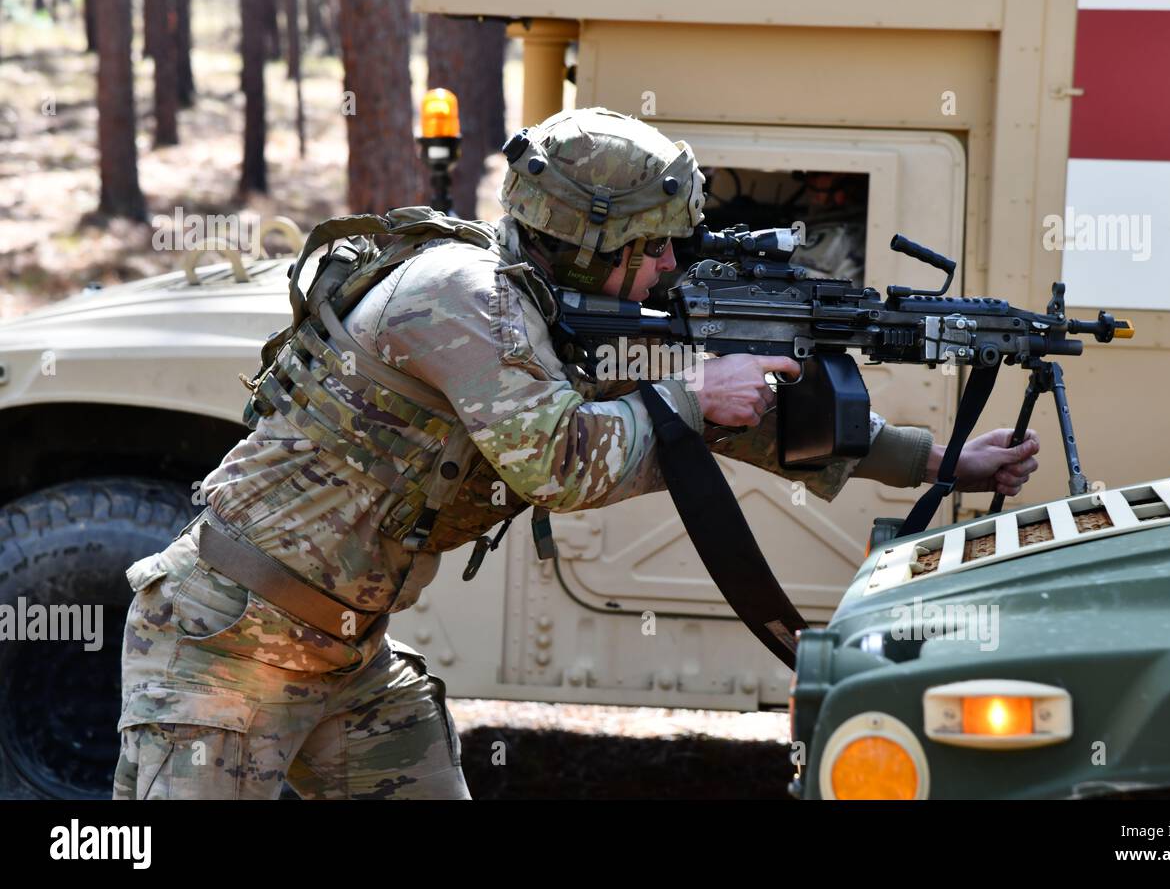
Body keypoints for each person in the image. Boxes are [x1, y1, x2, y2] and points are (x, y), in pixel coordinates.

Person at [113, 107, 1039, 800]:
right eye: (653, 246)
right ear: (590, 239)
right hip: (226, 646)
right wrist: (686, 392)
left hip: (348, 657)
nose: (671, 268)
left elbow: (726, 423)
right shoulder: (461, 297)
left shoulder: (548, 312)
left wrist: (937, 462)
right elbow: (558, 462)